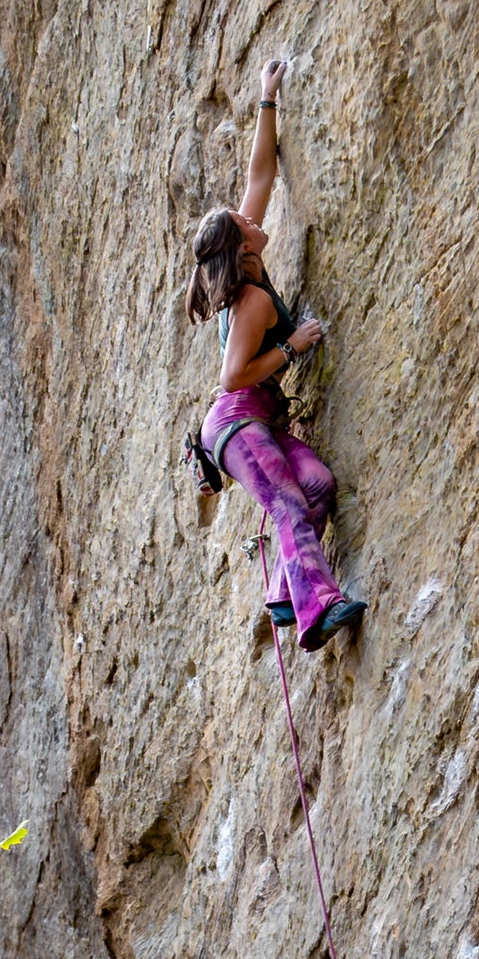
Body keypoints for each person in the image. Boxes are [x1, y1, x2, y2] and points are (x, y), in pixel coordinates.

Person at [186, 62, 365, 651]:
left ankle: (289, 594)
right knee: (288, 500)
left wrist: (267, 98)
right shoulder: (253, 301)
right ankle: (320, 608)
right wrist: (292, 346)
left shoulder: (251, 269)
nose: (249, 214)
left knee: (315, 486)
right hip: (238, 423)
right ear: (239, 247)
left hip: (256, 421)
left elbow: (260, 173)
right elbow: (231, 375)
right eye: (241, 221)